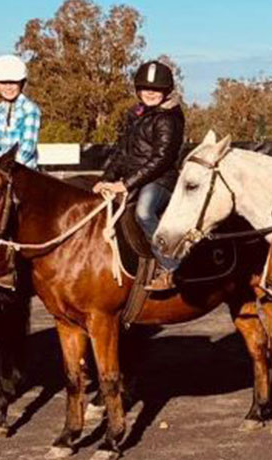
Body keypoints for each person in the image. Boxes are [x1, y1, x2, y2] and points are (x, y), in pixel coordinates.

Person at [97, 60, 187, 290]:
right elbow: (122, 151)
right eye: (146, 89)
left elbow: (161, 159)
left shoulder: (168, 119)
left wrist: (125, 184)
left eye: (156, 90)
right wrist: (107, 178)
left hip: (160, 180)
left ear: (166, 92)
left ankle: (170, 266)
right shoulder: (136, 115)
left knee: (144, 212)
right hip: (135, 178)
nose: (150, 93)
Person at [0, 55, 41, 167]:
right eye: (3, 83)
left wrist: (7, 167)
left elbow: (27, 148)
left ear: (22, 83)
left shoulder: (30, 109)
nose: (8, 87)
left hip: (23, 170)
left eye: (13, 82)